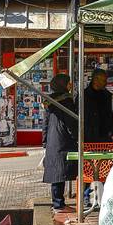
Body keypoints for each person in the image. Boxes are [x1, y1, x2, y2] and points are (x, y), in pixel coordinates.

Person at [42, 73, 78, 216]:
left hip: (52, 139)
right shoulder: (66, 101)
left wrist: (44, 141)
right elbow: (70, 122)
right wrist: (76, 136)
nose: (70, 85)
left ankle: (58, 203)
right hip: (62, 139)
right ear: (63, 84)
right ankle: (58, 205)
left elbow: (45, 123)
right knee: (59, 172)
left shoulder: (51, 102)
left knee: (57, 172)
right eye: (69, 83)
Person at [83, 68, 113, 143]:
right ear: (95, 79)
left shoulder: (107, 95)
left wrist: (111, 130)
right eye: (103, 80)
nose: (105, 83)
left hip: (105, 136)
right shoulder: (83, 96)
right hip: (88, 138)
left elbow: (109, 114)